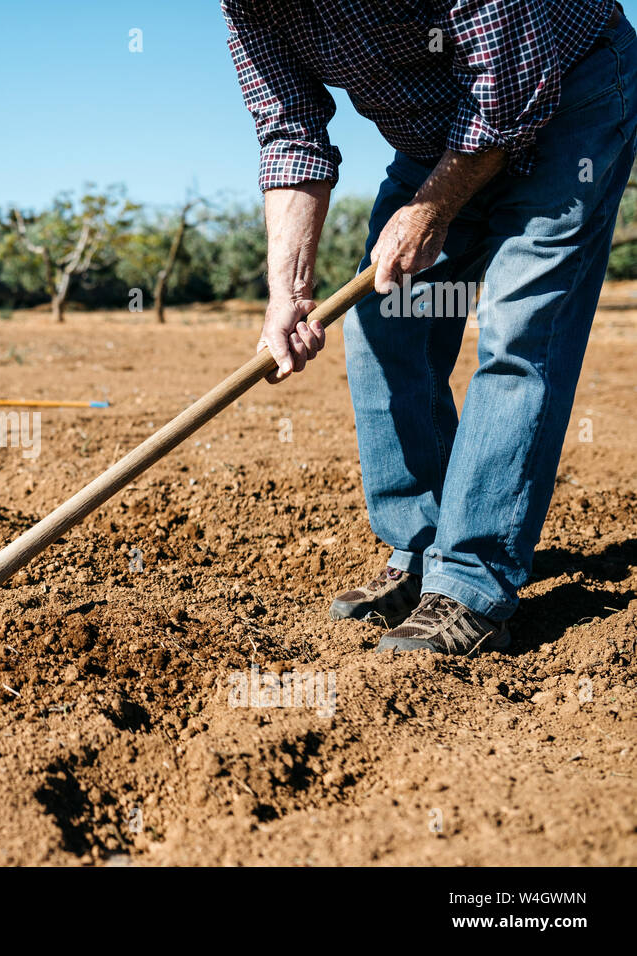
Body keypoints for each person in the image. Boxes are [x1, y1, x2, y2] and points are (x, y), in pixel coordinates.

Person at [222, 0, 637, 653]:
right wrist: (288, 293)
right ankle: (421, 550)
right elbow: (290, 132)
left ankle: (471, 585)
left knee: (519, 327)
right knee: (387, 319)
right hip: (441, 134)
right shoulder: (247, 9)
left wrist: (433, 210)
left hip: (568, 98)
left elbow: (509, 91)